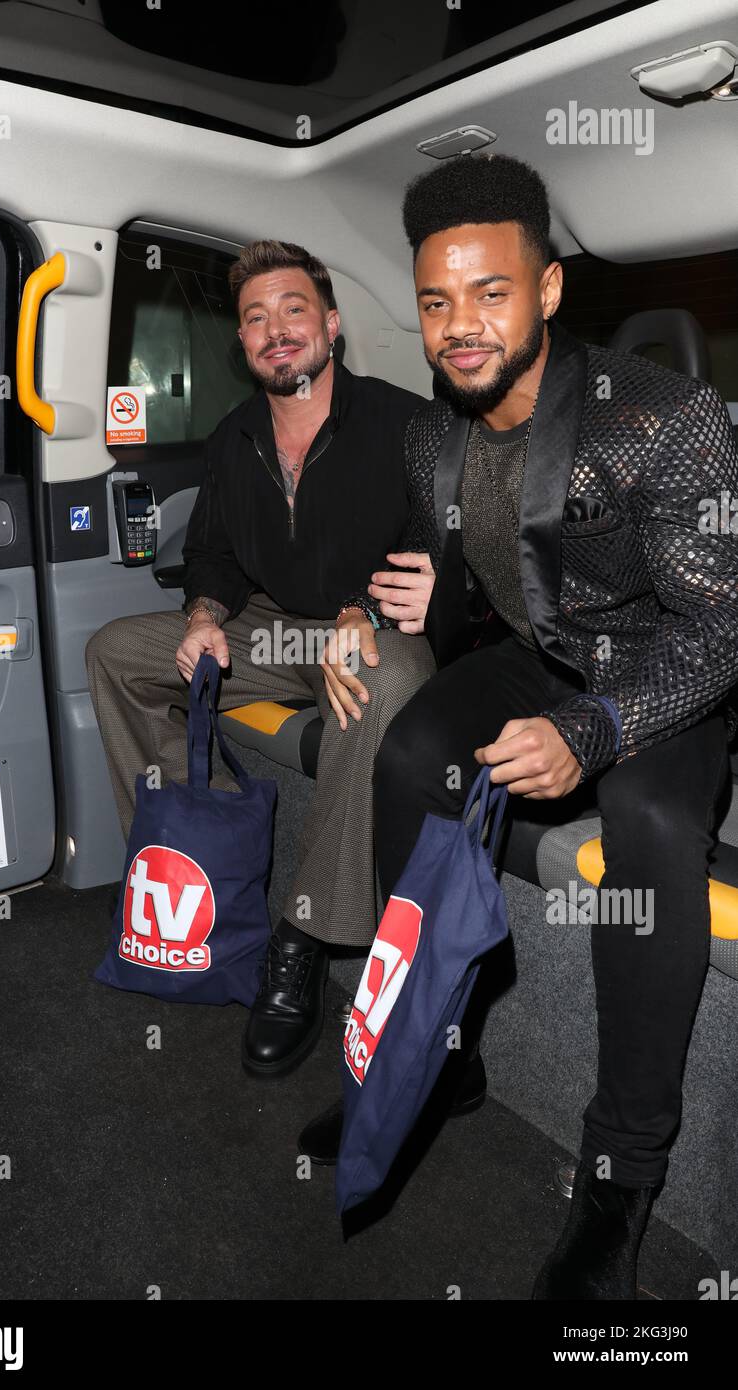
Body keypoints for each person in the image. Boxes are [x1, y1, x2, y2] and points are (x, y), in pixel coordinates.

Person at [300, 153, 738, 1301]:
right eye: (435, 301)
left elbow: (720, 633)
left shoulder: (662, 419)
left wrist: (591, 734)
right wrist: (358, 611)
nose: (457, 326)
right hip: (541, 652)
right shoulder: (430, 437)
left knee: (644, 819)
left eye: (489, 292)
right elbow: (436, 575)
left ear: (545, 290)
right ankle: (436, 1054)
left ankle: (618, 1174)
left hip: (664, 673)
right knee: (406, 750)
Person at [86, 240, 436, 1079]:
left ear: (331, 326)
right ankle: (184, 873)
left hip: (373, 630)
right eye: (255, 318)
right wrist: (206, 616)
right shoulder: (233, 437)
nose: (275, 330)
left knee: (381, 678)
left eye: (292, 311)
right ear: (244, 344)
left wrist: (364, 606)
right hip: (276, 632)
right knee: (116, 652)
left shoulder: (403, 421)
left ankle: (304, 935)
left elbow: (438, 545)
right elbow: (212, 556)